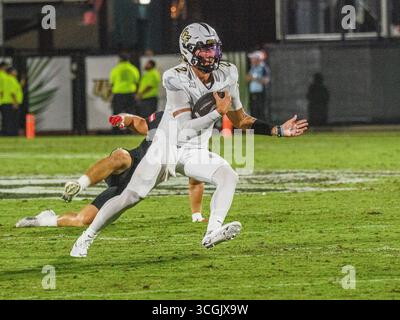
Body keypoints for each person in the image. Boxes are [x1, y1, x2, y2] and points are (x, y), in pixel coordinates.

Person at [70, 22, 308, 258]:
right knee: (129, 197)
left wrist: (278, 130)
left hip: (194, 149)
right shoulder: (175, 77)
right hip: (165, 146)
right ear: (188, 51)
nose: (210, 54)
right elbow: (185, 127)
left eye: (213, 48)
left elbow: (241, 120)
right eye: (203, 48)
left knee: (228, 176)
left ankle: (213, 230)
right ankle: (86, 238)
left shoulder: (227, 73)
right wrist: (217, 113)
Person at [15, 112, 207, 228]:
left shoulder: (197, 140)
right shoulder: (165, 117)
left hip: (131, 188)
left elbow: (195, 181)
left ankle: (44, 220)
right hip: (132, 161)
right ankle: (79, 184)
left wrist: (197, 215)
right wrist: (123, 119)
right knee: (121, 157)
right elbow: (138, 122)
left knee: (83, 220)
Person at [109, 52, 140, 133]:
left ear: (120, 59)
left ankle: (116, 131)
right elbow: (136, 81)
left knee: (116, 113)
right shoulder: (133, 68)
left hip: (118, 93)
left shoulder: (116, 69)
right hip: (130, 93)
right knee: (130, 113)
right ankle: (131, 131)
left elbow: (112, 82)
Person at [246, 50, 271, 121]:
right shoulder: (252, 68)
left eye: (253, 58)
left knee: (261, 111)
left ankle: (263, 127)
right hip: (253, 93)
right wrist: (251, 78)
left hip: (261, 93)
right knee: (254, 111)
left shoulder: (264, 68)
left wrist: (255, 78)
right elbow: (247, 78)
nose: (251, 60)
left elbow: (266, 81)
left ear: (258, 59)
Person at [1, 67, 23, 136]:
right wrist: (15, 102)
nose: (16, 72)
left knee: (8, 119)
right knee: (10, 119)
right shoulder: (10, 79)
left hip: (7, 102)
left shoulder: (11, 79)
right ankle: (10, 133)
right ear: (11, 72)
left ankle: (9, 133)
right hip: (9, 102)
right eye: (14, 71)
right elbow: (12, 93)